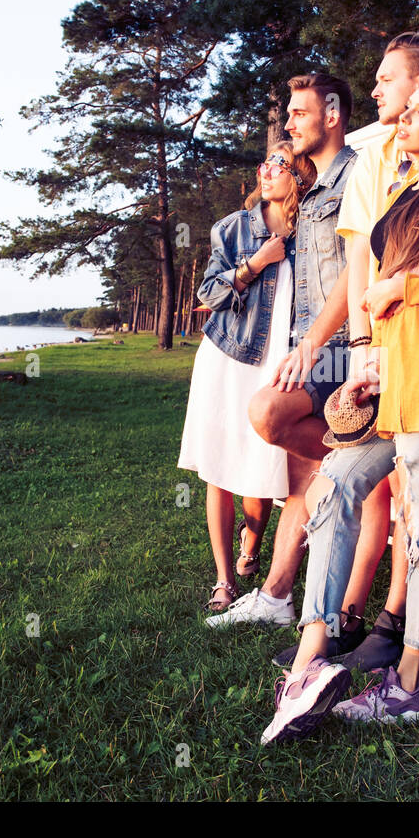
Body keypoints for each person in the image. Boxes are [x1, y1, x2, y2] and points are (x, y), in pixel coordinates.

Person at [264, 27, 419, 672]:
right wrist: (361, 347)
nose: (386, 99)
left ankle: (410, 668)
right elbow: (364, 264)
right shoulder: (391, 172)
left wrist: (417, 276)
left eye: (401, 92)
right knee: (336, 487)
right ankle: (315, 649)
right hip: (386, 366)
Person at [205, 72, 392, 633]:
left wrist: (314, 344)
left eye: (300, 113)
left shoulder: (359, 174)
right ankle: (279, 595)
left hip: (340, 346)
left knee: (285, 431)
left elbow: (355, 272)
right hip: (307, 347)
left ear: (331, 114)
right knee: (285, 447)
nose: (288, 124)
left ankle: (319, 599)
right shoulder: (309, 189)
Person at [179, 142, 316, 613]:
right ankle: (222, 582)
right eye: (265, 163)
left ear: (299, 177)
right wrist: (256, 263)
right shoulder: (233, 228)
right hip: (227, 357)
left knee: (260, 470)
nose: (266, 170)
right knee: (218, 468)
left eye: (279, 164)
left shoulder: (311, 232)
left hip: (275, 364)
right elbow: (208, 292)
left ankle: (252, 545)